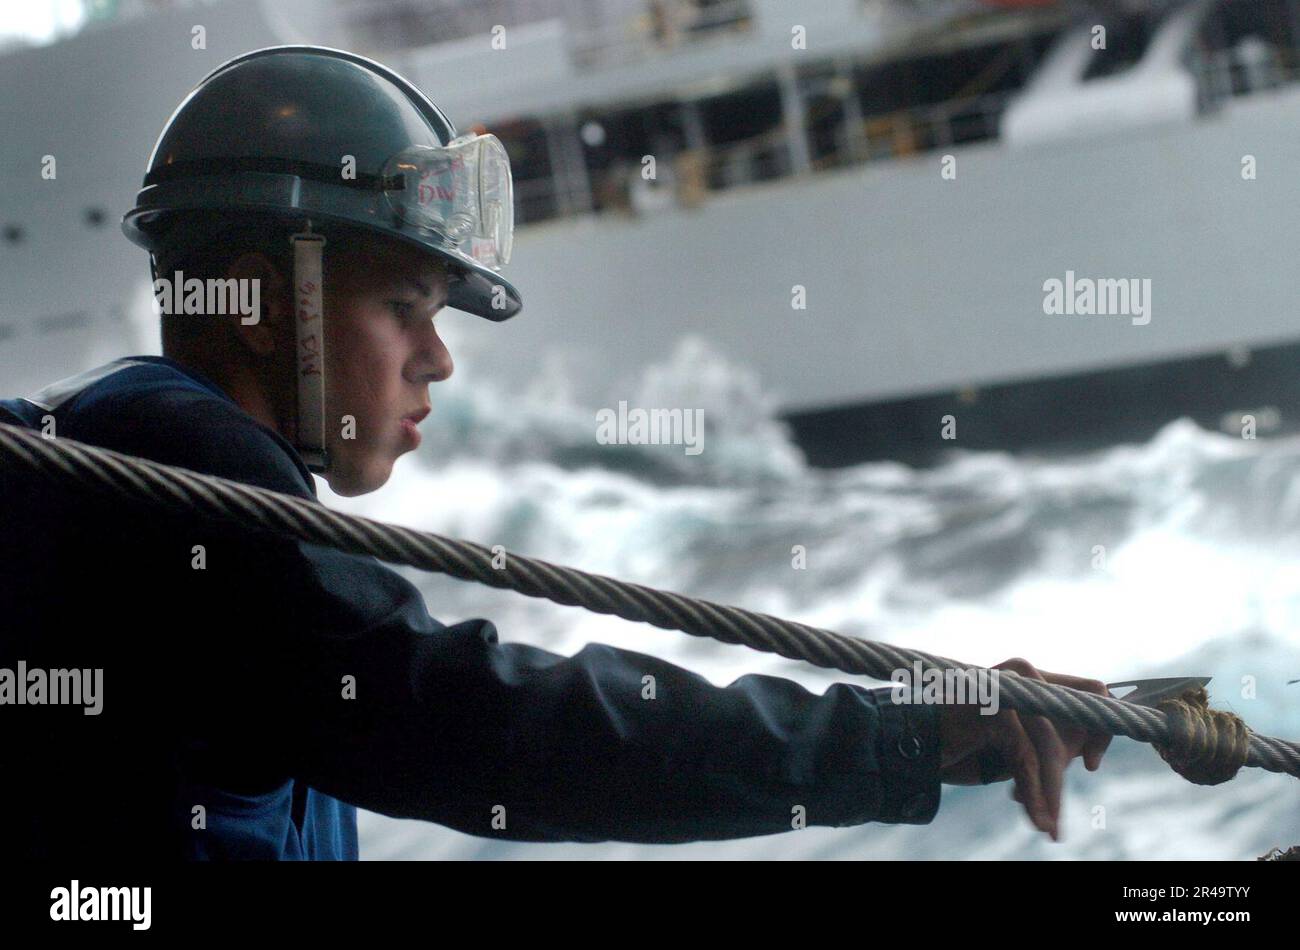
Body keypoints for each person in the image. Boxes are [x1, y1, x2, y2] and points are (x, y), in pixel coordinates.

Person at [0, 45, 1110, 860]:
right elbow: (486, 725)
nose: (438, 358)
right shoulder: (180, 463)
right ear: (250, 299)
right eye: (403, 305)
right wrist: (895, 733)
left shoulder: (141, 457)